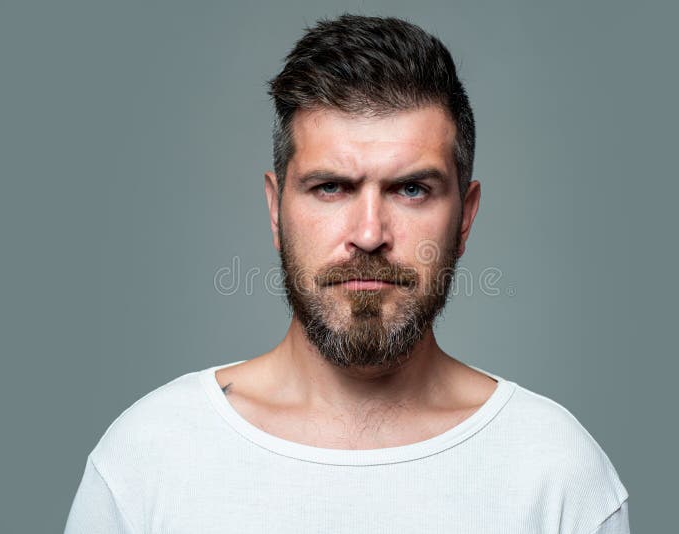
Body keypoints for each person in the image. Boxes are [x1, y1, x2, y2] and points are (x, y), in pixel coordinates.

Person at [64, 14, 630, 533]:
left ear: (466, 215)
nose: (368, 233)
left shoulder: (558, 473)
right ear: (275, 210)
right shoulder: (148, 458)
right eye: (330, 187)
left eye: (412, 189)